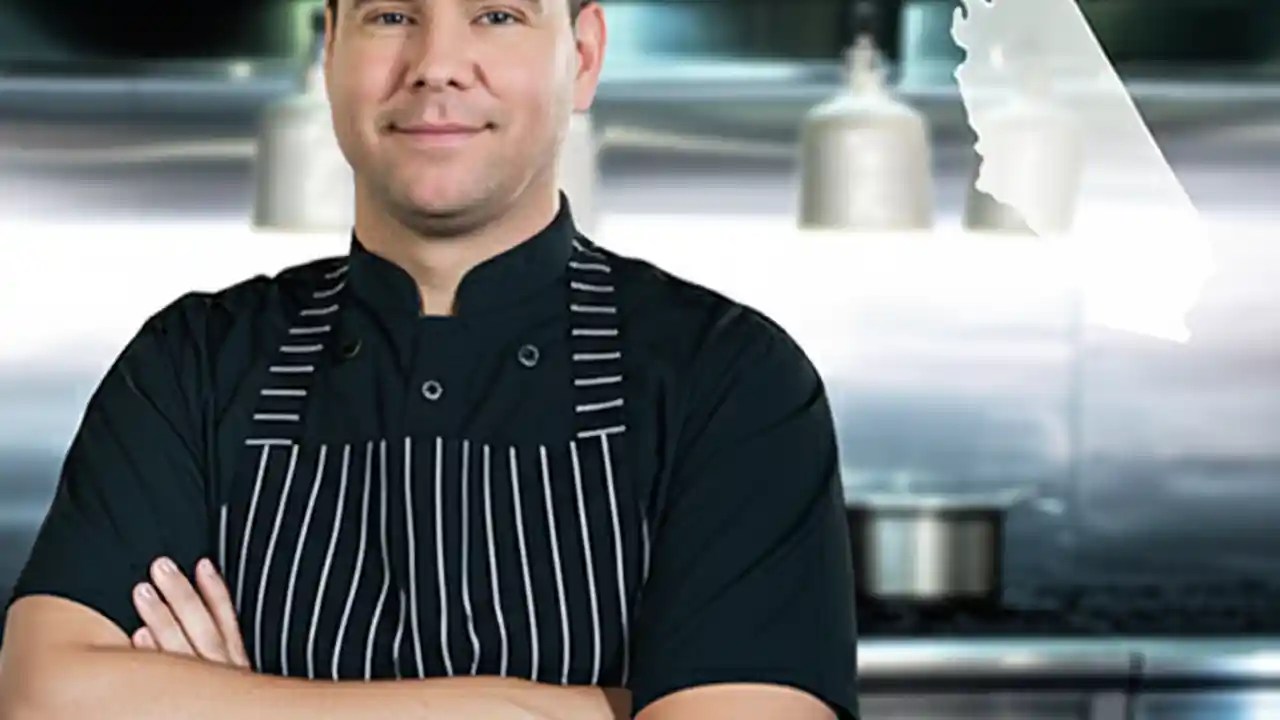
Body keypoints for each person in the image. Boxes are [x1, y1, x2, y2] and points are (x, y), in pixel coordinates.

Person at [0, 0, 859, 718]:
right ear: (331, 51)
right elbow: (44, 697)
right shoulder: (189, 365)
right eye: (390, 15)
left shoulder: (732, 381)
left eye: (496, 15)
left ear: (583, 56)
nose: (437, 65)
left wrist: (227, 703)